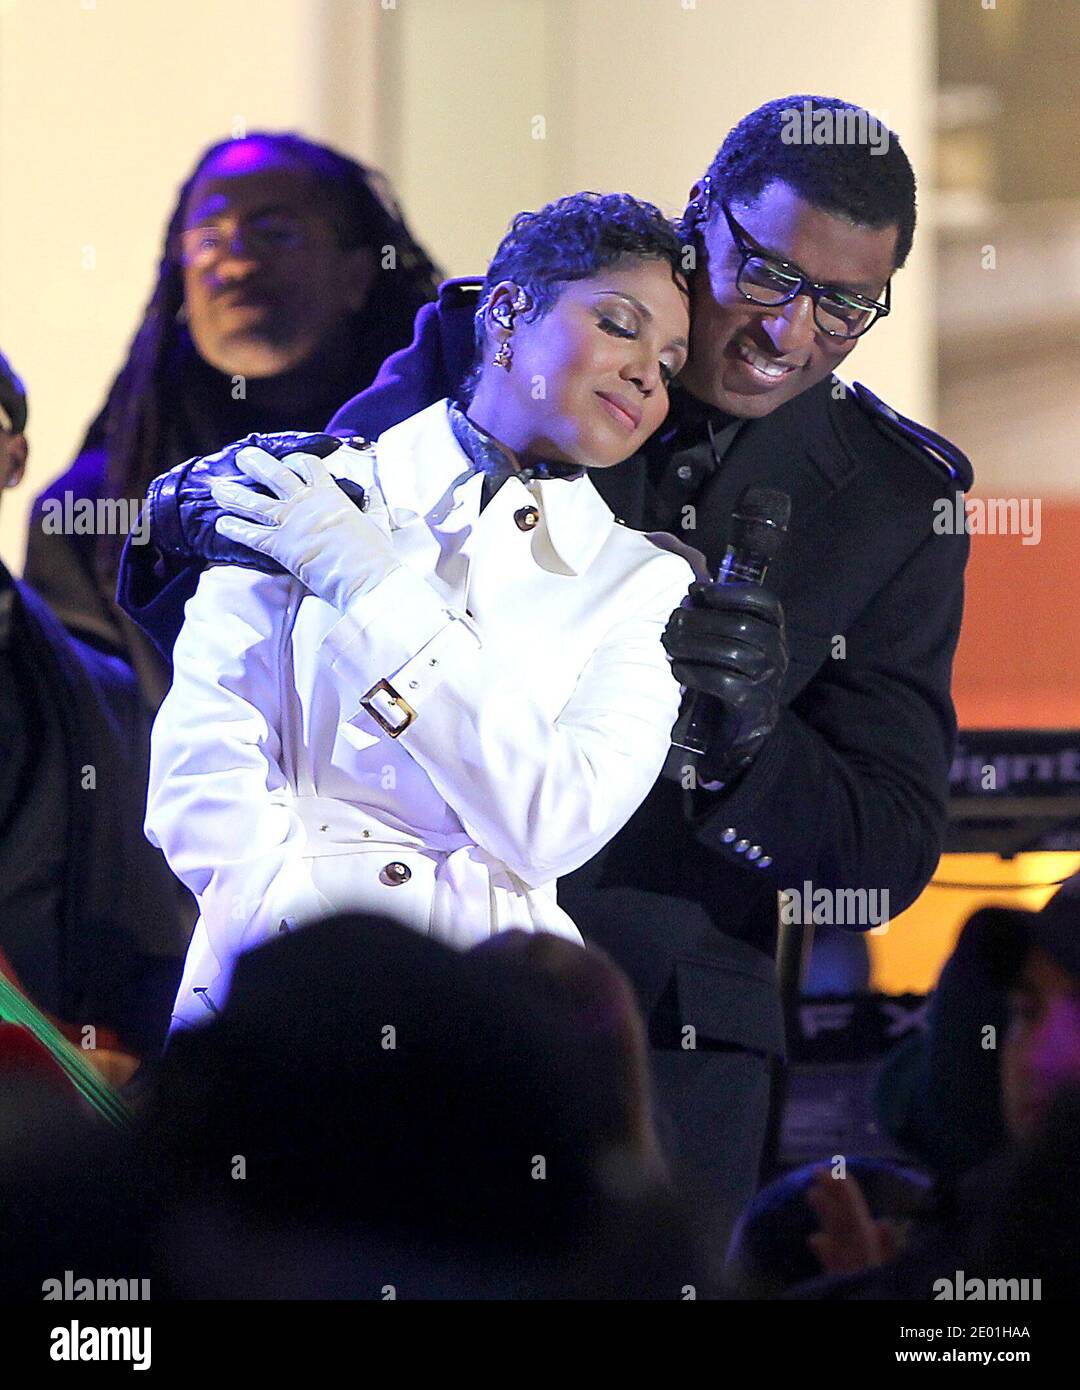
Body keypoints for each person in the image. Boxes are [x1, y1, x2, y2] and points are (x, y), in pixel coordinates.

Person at [118, 96, 974, 1254]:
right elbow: (292, 563)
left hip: (668, 1040)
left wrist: (748, 746)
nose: (789, 332)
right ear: (700, 220)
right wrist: (180, 513)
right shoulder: (496, 343)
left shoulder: (891, 503)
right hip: (377, 963)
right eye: (767, 274)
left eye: (844, 306)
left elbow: (887, 845)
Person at [145, 192, 696, 1032]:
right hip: (276, 989)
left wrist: (375, 591)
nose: (648, 373)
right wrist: (297, 949)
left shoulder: (641, 580)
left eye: (672, 360)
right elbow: (197, 777)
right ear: (508, 312)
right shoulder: (303, 490)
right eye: (621, 325)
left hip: (497, 1025)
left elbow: (555, 823)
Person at [25, 131, 442, 713]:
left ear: (356, 274)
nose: (239, 262)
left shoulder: (446, 464)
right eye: (210, 238)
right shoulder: (85, 514)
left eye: (276, 234)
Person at [0, 349, 180, 1056]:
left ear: (14, 459)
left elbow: (141, 943)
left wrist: (124, 1059)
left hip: (34, 1128)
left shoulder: (104, 697)